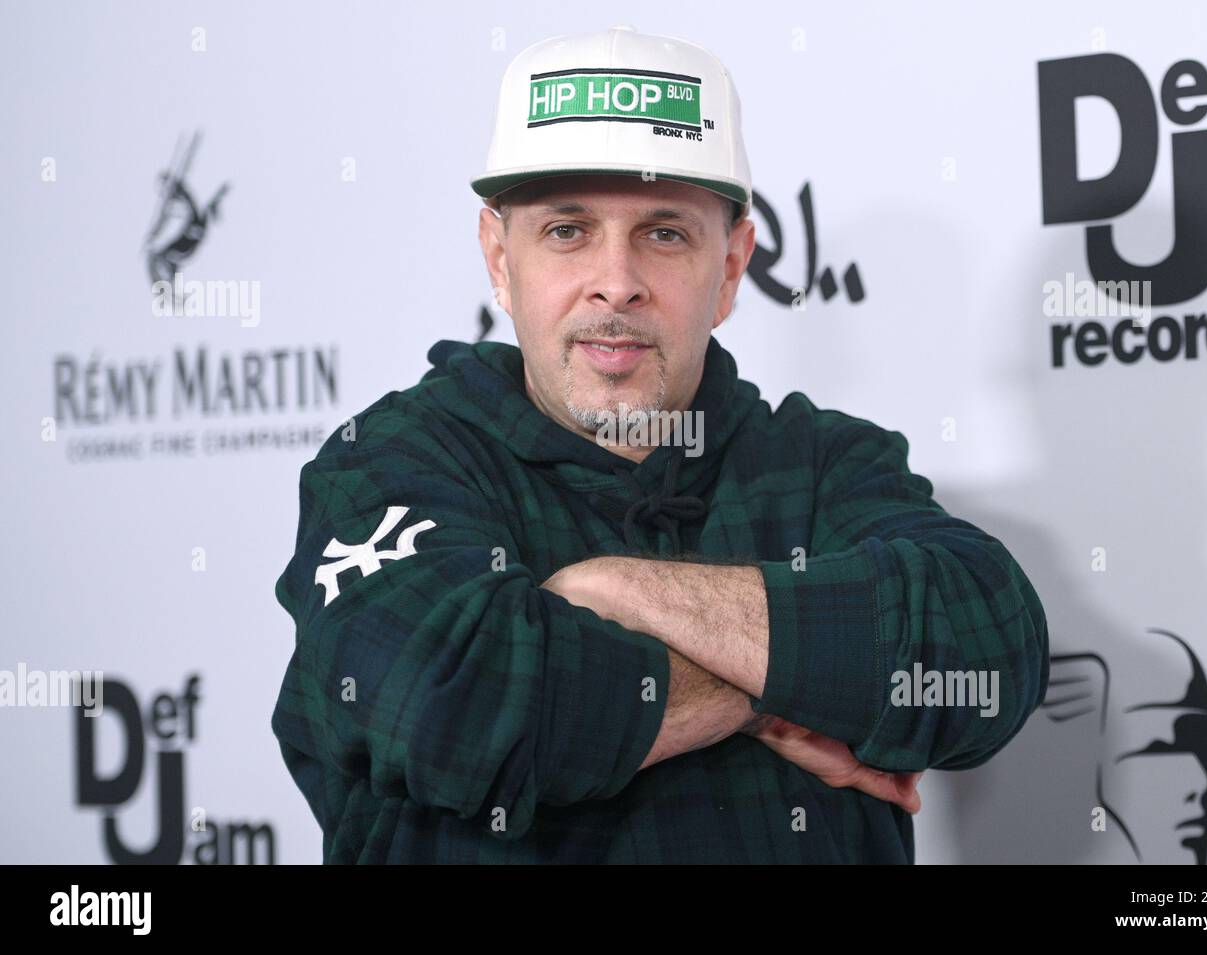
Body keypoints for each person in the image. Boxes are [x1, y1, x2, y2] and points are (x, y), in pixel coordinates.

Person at [270, 26, 1050, 863]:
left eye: (665, 233)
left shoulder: (821, 463)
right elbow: (454, 704)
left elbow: (989, 648)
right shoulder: (390, 462)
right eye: (567, 230)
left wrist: (620, 589)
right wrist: (786, 688)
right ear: (500, 259)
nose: (618, 280)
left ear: (731, 266)